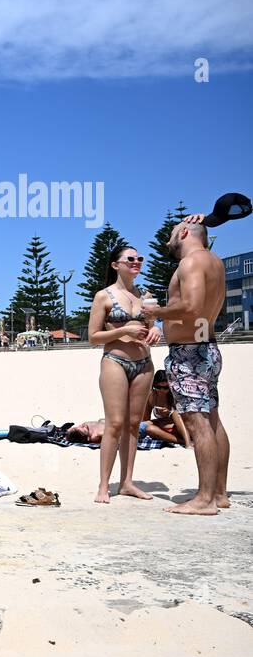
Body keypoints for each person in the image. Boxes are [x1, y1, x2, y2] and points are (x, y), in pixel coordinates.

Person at [156, 215, 230, 514]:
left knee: (197, 424)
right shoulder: (214, 261)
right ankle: (219, 493)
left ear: (184, 232)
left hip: (189, 352)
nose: (167, 240)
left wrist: (154, 314)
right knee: (212, 420)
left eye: (172, 233)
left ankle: (204, 500)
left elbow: (192, 307)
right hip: (206, 346)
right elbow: (201, 314)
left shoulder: (189, 264)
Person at [86, 244, 161, 503]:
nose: (136, 261)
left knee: (133, 425)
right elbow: (93, 337)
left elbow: (154, 326)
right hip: (115, 361)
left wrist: (156, 331)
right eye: (130, 258)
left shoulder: (147, 295)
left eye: (139, 258)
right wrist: (122, 332)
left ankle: (127, 482)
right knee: (115, 423)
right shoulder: (103, 296)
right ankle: (104, 485)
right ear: (115, 264)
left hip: (144, 364)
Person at [142, 369, 191, 448]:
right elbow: (145, 419)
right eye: (158, 387)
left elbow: (184, 416)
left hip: (180, 428)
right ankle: (181, 442)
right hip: (164, 428)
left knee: (175, 413)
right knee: (147, 427)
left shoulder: (174, 395)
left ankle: (187, 442)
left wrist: (169, 413)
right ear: (154, 385)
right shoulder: (151, 396)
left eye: (165, 388)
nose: (162, 390)